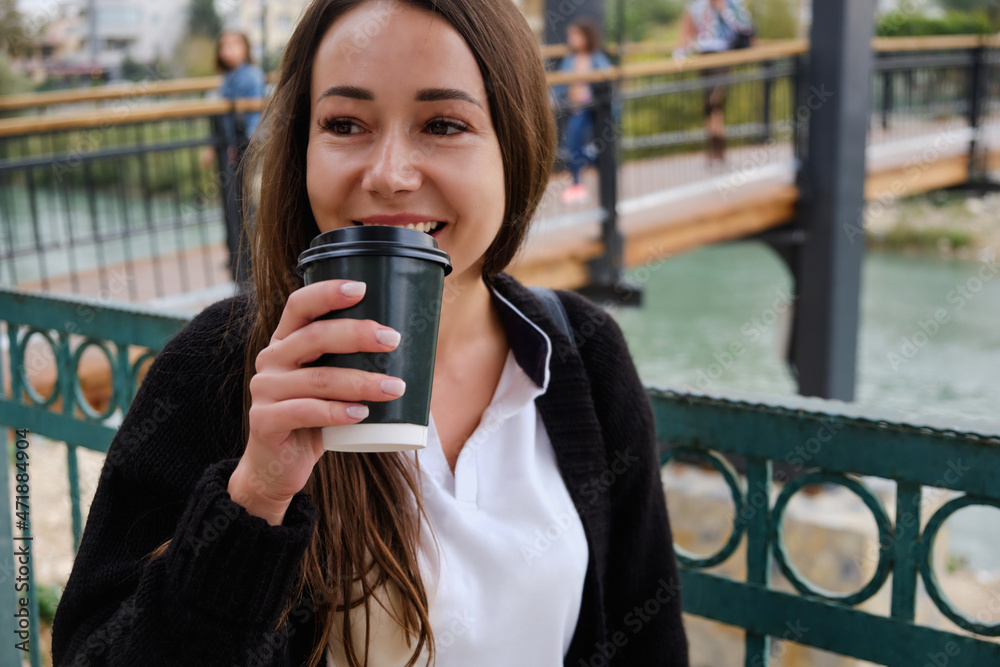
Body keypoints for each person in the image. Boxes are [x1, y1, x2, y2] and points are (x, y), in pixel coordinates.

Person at [51, 1, 689, 666]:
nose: (388, 174)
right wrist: (254, 501)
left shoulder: (583, 355)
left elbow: (651, 642)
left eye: (443, 124)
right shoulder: (216, 368)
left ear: (515, 145)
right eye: (345, 123)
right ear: (303, 146)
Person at [200, 30, 267, 287]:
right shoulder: (228, 78)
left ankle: (251, 265)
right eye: (223, 45)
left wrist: (245, 145)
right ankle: (241, 263)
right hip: (234, 149)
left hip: (247, 148)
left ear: (245, 47)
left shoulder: (251, 75)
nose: (227, 50)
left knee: (249, 207)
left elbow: (254, 116)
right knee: (236, 207)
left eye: (233, 44)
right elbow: (224, 117)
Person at [677, 0, 755, 166]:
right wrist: (680, 57)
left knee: (715, 102)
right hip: (703, 58)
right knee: (709, 105)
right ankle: (713, 151)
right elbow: (687, 33)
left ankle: (718, 150)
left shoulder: (732, 4)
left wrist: (723, 10)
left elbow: (745, 28)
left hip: (723, 56)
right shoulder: (696, 6)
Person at [552, 19, 612, 205]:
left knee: (576, 139)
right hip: (575, 108)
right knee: (573, 142)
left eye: (576, 35)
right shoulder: (570, 60)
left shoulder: (597, 58)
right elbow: (559, 86)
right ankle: (578, 181)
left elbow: (607, 81)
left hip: (593, 109)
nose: (572, 39)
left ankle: (582, 180)